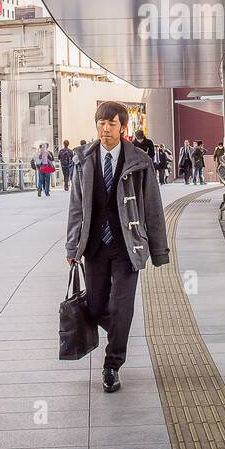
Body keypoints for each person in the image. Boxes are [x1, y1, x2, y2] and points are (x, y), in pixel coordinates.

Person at [65, 102, 170, 393]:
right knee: (96, 305)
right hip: (95, 247)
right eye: (101, 123)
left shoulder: (139, 160)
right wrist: (73, 247)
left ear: (123, 127)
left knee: (123, 306)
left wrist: (159, 250)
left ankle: (112, 365)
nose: (105, 129)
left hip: (128, 246)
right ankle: (119, 333)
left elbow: (153, 207)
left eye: (111, 124)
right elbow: (76, 207)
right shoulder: (83, 159)